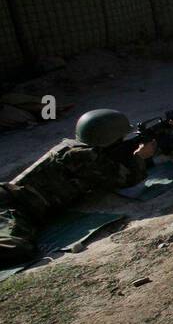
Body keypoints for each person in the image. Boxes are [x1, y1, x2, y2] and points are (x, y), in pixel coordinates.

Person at [0, 109, 154, 266]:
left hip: (10, 197)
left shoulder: (75, 148)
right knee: (18, 249)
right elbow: (126, 179)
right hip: (11, 205)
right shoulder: (83, 156)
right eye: (120, 138)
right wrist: (140, 157)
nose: (122, 140)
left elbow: (110, 163)